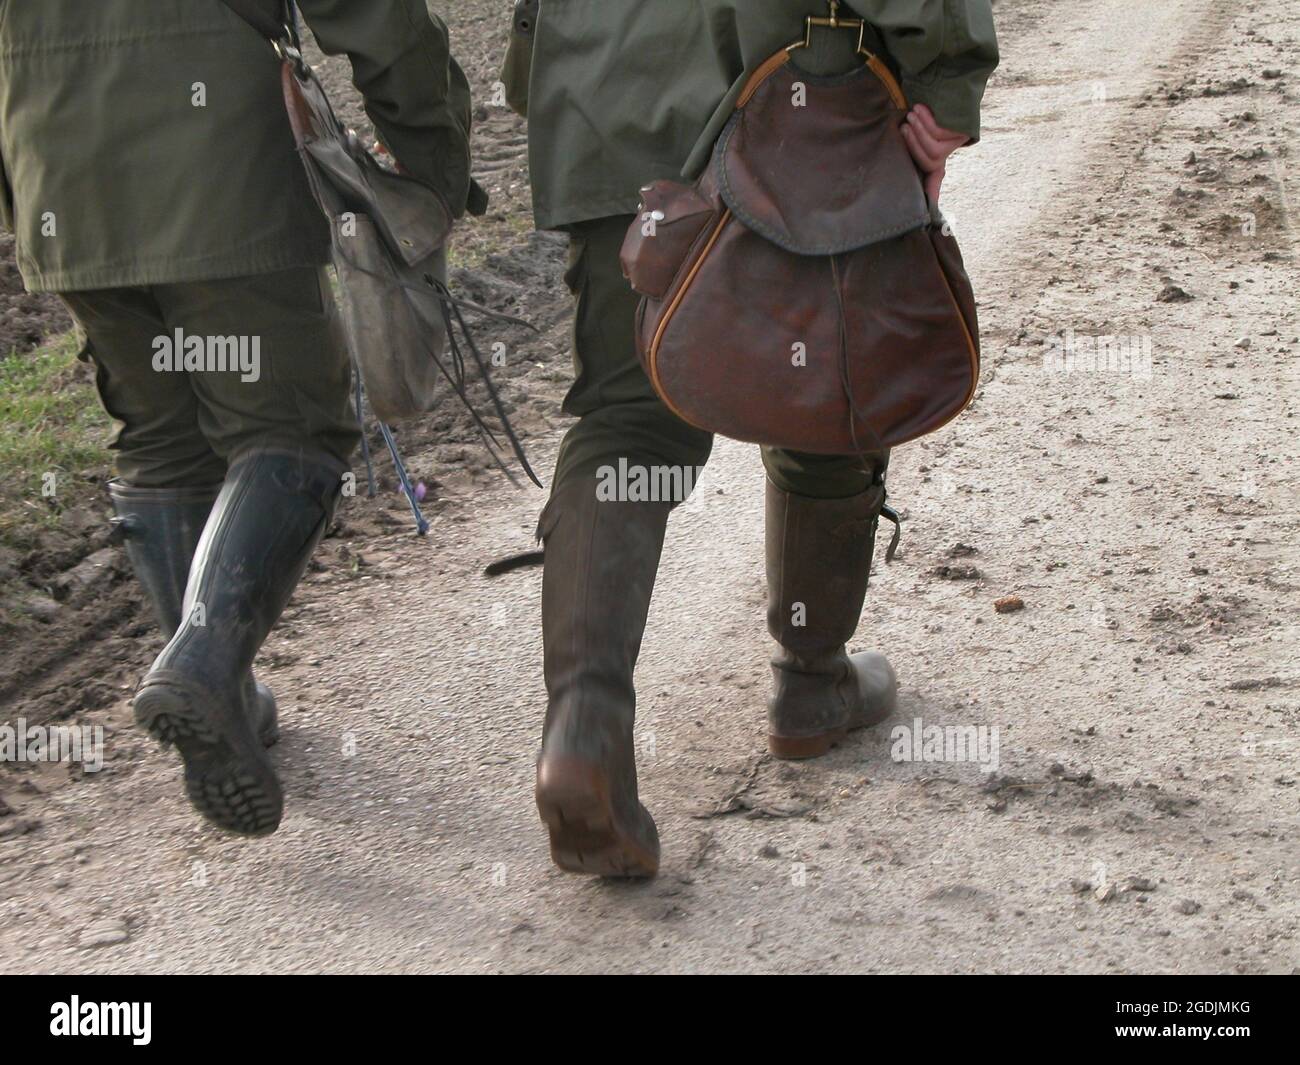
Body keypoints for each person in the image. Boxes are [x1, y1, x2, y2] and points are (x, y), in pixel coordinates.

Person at [502, 0, 999, 877]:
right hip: (787, 75)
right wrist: (948, 80)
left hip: (603, 79)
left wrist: (536, 52)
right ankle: (811, 682)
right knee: (829, 372)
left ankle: (583, 733)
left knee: (626, 420)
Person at [0, 0, 477, 836]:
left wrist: (28, 185)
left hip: (56, 171)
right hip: (216, 160)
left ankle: (225, 688)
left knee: (161, 437)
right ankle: (205, 661)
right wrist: (433, 154)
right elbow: (374, 12)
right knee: (291, 427)